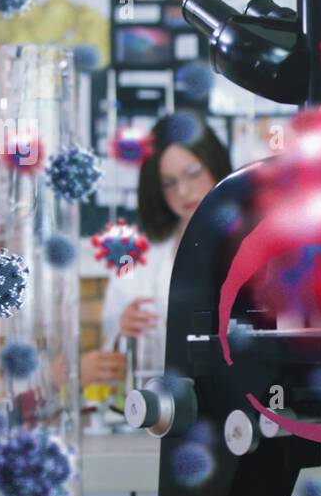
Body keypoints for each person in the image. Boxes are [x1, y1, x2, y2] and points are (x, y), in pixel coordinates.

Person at [87, 113, 231, 386]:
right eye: (169, 183)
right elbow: (113, 369)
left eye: (193, 173)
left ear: (214, 163)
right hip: (165, 408)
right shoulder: (134, 261)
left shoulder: (252, 244)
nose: (185, 192)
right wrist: (123, 335)